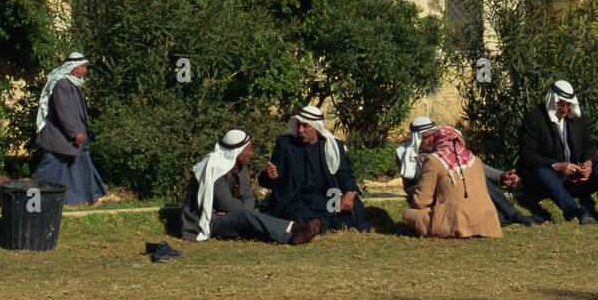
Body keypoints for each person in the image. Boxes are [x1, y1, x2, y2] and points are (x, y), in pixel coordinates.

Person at [181, 129, 324, 245]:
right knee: (246, 216)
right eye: (248, 150)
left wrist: (237, 211)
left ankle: (295, 233)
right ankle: (296, 230)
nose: (251, 153)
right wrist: (235, 211)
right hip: (206, 222)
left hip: (229, 215)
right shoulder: (214, 170)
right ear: (236, 152)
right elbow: (228, 204)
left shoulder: (239, 167)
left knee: (249, 216)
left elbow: (249, 197)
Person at [517, 79, 598, 225]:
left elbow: (589, 145)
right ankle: (576, 210)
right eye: (561, 104)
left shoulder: (575, 118)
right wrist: (557, 165)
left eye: (568, 105)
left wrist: (588, 162)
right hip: (546, 180)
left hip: (573, 178)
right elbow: (527, 154)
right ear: (552, 101)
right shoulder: (534, 118)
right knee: (544, 172)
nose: (565, 109)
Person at [398, 117, 542, 227]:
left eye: (432, 136)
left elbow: (472, 164)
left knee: (480, 180)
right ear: (416, 140)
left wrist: (501, 175)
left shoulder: (442, 148)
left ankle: (516, 215)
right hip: (440, 198)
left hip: (460, 188)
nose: (431, 140)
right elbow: (411, 189)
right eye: (426, 137)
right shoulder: (406, 157)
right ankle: (512, 217)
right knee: (490, 217)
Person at [259, 104, 371, 232]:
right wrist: (270, 176)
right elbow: (269, 181)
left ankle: (326, 224)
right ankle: (320, 225)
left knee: (355, 205)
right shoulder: (286, 145)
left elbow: (345, 174)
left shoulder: (331, 146)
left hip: (324, 200)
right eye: (298, 125)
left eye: (305, 126)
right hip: (296, 200)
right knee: (300, 215)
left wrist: (349, 194)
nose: (300, 130)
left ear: (316, 128)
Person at [402, 125, 503, 240]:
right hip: (487, 222)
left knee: (408, 214)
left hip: (457, 221)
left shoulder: (434, 160)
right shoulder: (475, 160)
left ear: (438, 140)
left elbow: (421, 201)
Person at [33, 52, 106, 205]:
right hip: (59, 138)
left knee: (82, 164)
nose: (85, 70)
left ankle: (93, 198)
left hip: (69, 138)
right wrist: (74, 133)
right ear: (72, 68)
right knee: (49, 169)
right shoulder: (62, 85)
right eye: (82, 66)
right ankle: (33, 201)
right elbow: (63, 112)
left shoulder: (72, 84)